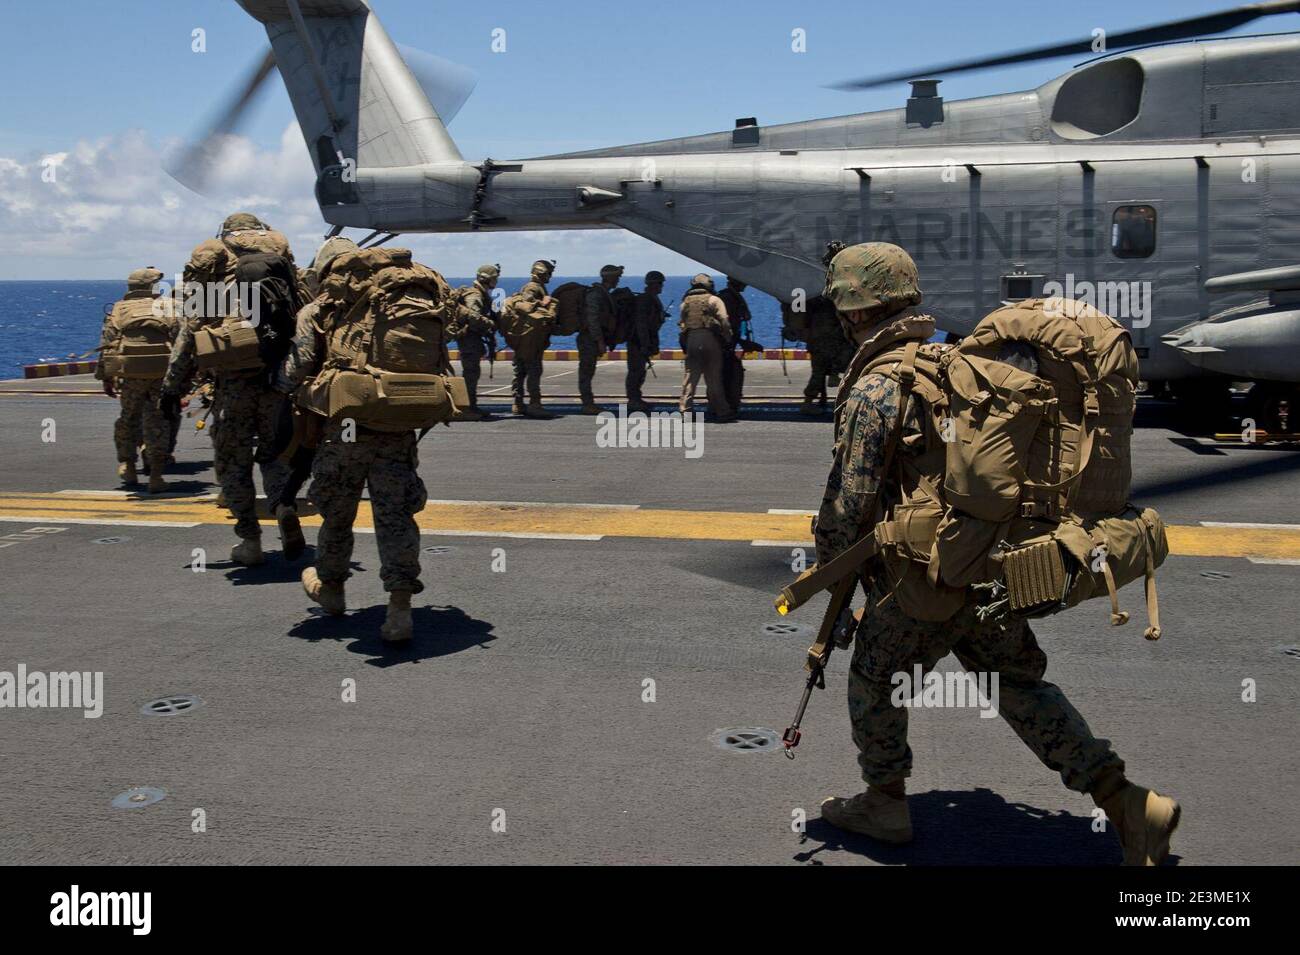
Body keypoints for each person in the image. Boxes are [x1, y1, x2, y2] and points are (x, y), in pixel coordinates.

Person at [812, 241, 1180, 865]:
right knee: (1017, 684)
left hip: (919, 583)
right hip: (991, 570)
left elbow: (847, 509)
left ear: (852, 313)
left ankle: (883, 800)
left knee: (876, 679)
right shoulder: (956, 361)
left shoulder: (875, 388)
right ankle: (1127, 802)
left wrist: (836, 587)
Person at [287, 246, 443, 644]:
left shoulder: (322, 309)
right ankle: (400, 609)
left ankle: (332, 589)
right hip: (396, 426)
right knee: (395, 516)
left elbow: (301, 362)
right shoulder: (399, 299)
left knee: (337, 514)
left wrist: (289, 388)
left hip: (347, 430)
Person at [159, 212, 298, 566]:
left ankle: (250, 541)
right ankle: (283, 507)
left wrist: (172, 388)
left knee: (233, 462)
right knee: (274, 453)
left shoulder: (213, 281)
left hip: (232, 385)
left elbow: (188, 336)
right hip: (275, 380)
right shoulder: (278, 265)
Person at [96, 267, 179, 493]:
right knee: (158, 421)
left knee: (128, 418)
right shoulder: (169, 305)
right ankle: (156, 475)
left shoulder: (119, 308)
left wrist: (105, 377)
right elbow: (181, 341)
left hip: (130, 373)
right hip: (160, 373)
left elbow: (107, 343)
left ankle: (128, 465)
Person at [677, 274, 735, 421]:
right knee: (714, 377)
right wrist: (728, 338)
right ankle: (721, 410)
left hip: (691, 339)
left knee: (690, 377)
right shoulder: (714, 300)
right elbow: (724, 320)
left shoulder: (685, 303)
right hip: (710, 339)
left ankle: (686, 410)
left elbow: (682, 324)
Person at [450, 263, 501, 421]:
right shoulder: (475, 295)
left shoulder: (478, 293)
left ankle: (471, 405)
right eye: (495, 278)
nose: (496, 281)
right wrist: (490, 324)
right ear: (489, 279)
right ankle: (464, 408)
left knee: (472, 373)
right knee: (470, 374)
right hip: (469, 339)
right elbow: (473, 317)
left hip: (471, 339)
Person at [510, 259, 558, 417]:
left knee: (521, 371)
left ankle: (518, 403)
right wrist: (544, 303)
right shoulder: (533, 287)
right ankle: (534, 404)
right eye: (548, 273)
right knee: (533, 370)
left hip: (525, 336)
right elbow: (525, 306)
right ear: (541, 273)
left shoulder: (534, 286)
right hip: (530, 338)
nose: (549, 276)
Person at [579, 264, 623, 414]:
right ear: (610, 277)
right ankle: (587, 403)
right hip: (589, 339)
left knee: (588, 372)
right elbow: (593, 319)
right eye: (617, 277)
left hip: (593, 338)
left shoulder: (604, 294)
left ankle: (588, 402)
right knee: (586, 372)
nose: (618, 280)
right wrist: (599, 341)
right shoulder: (596, 294)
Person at [801, 297, 854, 415]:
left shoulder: (813, 300)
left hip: (817, 341)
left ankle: (819, 399)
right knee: (819, 373)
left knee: (819, 371)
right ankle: (808, 403)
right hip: (826, 342)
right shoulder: (830, 302)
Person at [626, 270, 665, 413]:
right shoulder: (645, 300)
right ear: (654, 284)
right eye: (660, 283)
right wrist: (644, 344)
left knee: (639, 371)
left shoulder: (650, 298)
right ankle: (633, 400)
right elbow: (641, 323)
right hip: (637, 342)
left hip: (641, 341)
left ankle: (636, 398)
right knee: (636, 371)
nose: (662, 286)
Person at [717, 277, 751, 413]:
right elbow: (728, 324)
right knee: (729, 373)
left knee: (727, 373)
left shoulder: (730, 297)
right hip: (725, 343)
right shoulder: (729, 298)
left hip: (727, 343)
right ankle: (728, 404)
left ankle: (726, 403)